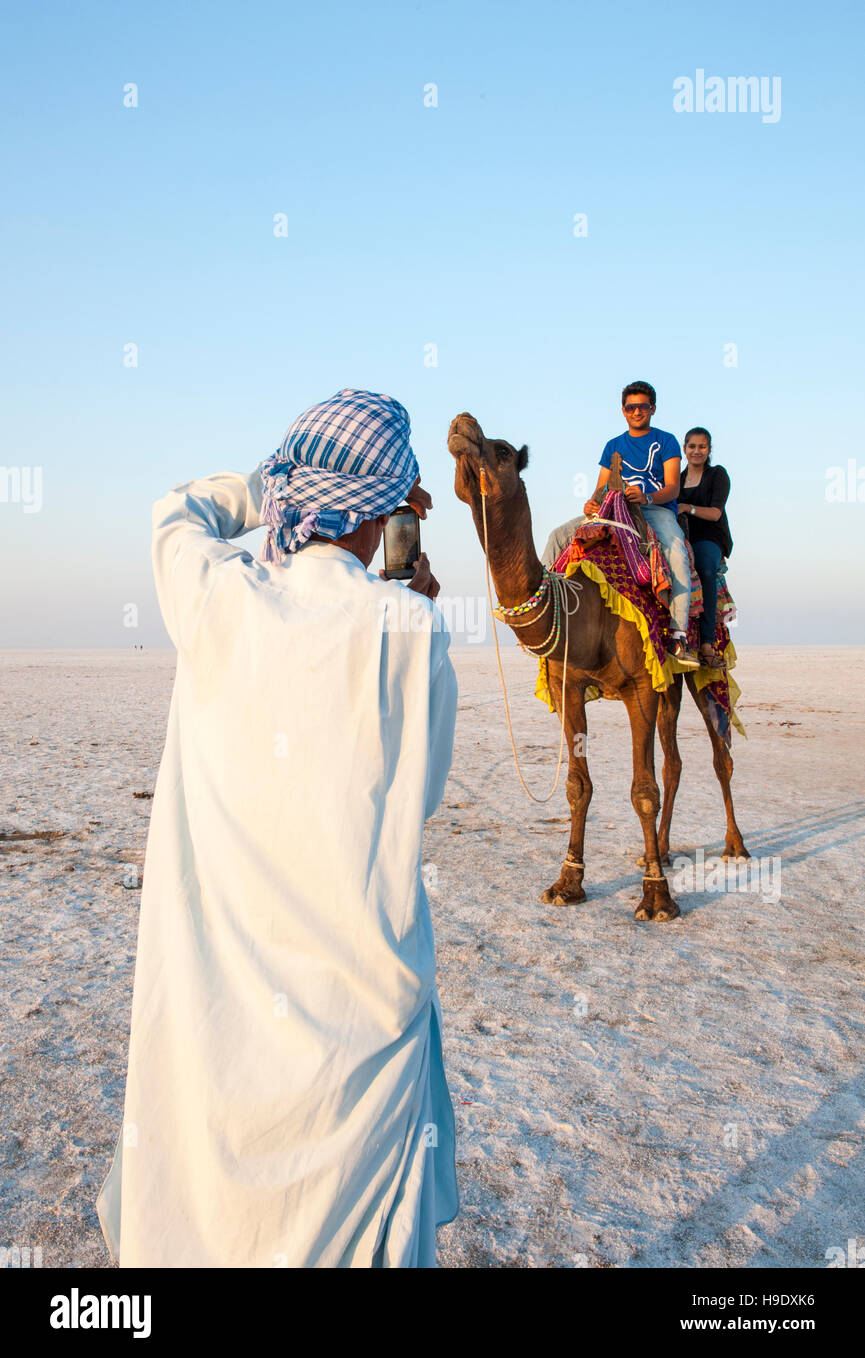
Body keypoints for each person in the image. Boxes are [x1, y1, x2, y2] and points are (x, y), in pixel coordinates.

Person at [96, 388, 459, 1268]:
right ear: (383, 515)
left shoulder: (216, 599)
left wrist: (270, 483)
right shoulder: (406, 626)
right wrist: (403, 600)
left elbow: (177, 511)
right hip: (363, 1027)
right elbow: (421, 790)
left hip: (216, 1010)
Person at [541, 381, 699, 667]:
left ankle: (678, 635)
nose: (637, 412)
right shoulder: (613, 445)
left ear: (652, 408)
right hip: (611, 509)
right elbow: (601, 488)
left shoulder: (666, 441)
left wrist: (647, 496)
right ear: (623, 411)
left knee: (676, 554)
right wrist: (590, 503)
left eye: (642, 406)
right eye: (631, 407)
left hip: (655, 510)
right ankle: (541, 609)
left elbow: (673, 487)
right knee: (558, 536)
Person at [677, 427, 733, 668]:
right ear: (684, 449)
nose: (696, 451)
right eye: (692, 446)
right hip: (682, 535)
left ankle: (707, 643)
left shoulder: (717, 475)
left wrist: (687, 507)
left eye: (702, 446)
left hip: (710, 535)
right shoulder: (676, 480)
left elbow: (715, 513)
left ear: (709, 449)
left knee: (705, 570)